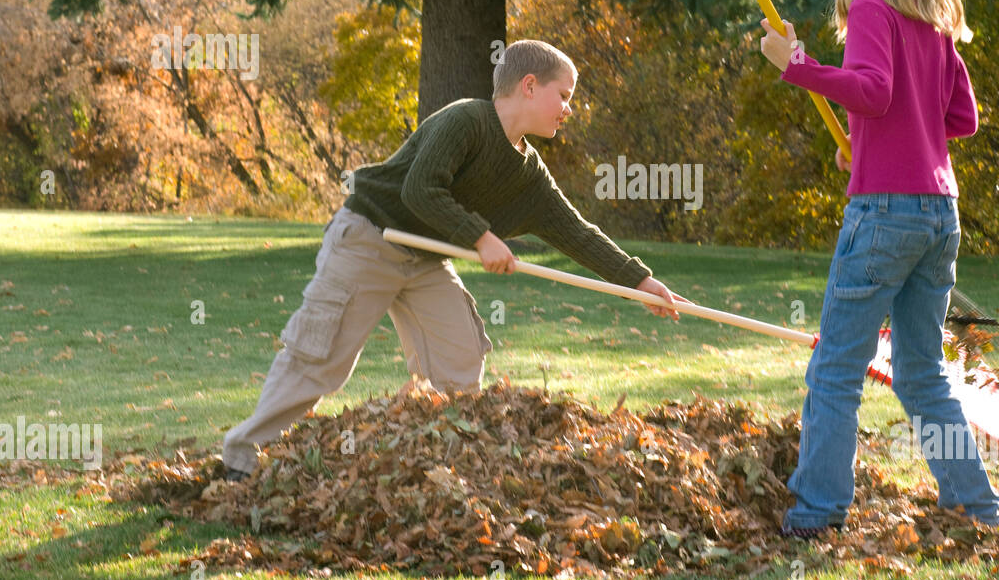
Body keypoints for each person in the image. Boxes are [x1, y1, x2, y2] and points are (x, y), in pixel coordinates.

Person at [222, 39, 683, 480]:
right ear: (528, 85)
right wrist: (481, 238)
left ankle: (432, 465)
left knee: (460, 357)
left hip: (425, 259)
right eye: (563, 95)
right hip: (370, 237)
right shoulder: (465, 121)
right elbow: (420, 189)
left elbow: (578, 234)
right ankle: (242, 458)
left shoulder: (530, 176)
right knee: (321, 357)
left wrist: (640, 283)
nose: (569, 108)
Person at [756, 0, 999, 536]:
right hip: (938, 211)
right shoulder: (936, 27)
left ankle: (818, 510)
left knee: (836, 365)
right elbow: (960, 120)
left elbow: (873, 90)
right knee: (923, 371)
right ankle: (975, 505)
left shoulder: (871, 9)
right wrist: (871, 145)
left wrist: (799, 67)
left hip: (885, 214)